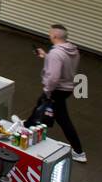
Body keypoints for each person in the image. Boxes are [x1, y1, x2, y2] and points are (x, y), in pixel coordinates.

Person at [25, 24, 85, 162]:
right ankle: (27, 126)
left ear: (55, 36)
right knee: (43, 107)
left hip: (56, 90)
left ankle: (79, 151)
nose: (49, 35)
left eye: (50, 33)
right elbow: (63, 65)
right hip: (67, 88)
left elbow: (53, 77)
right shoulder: (73, 50)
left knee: (60, 118)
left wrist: (47, 91)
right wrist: (46, 56)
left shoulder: (56, 54)